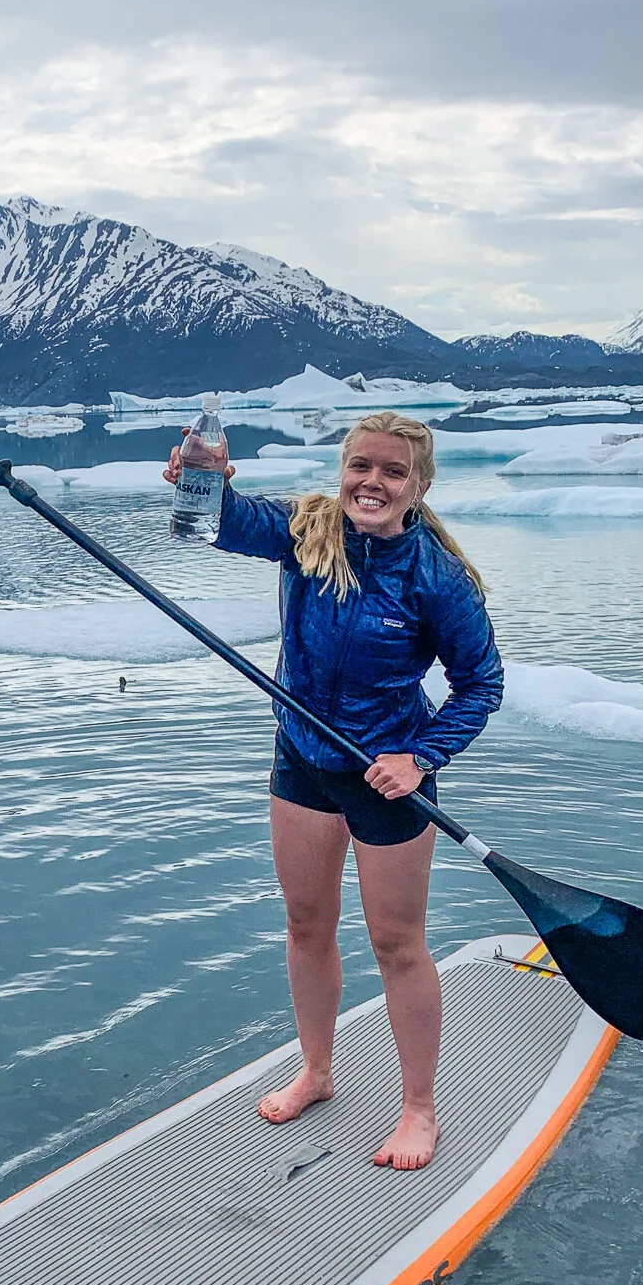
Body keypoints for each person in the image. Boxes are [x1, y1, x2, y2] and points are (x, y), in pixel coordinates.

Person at [164, 410, 503, 1169]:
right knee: (306, 924)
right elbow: (217, 525)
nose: (371, 483)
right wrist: (206, 487)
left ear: (418, 486)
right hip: (304, 761)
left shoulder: (438, 580)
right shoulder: (305, 530)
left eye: (391, 472)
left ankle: (420, 1109)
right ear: (343, 470)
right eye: (361, 466)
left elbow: (481, 685)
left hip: (388, 781)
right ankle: (317, 1072)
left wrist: (421, 756)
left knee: (396, 944)